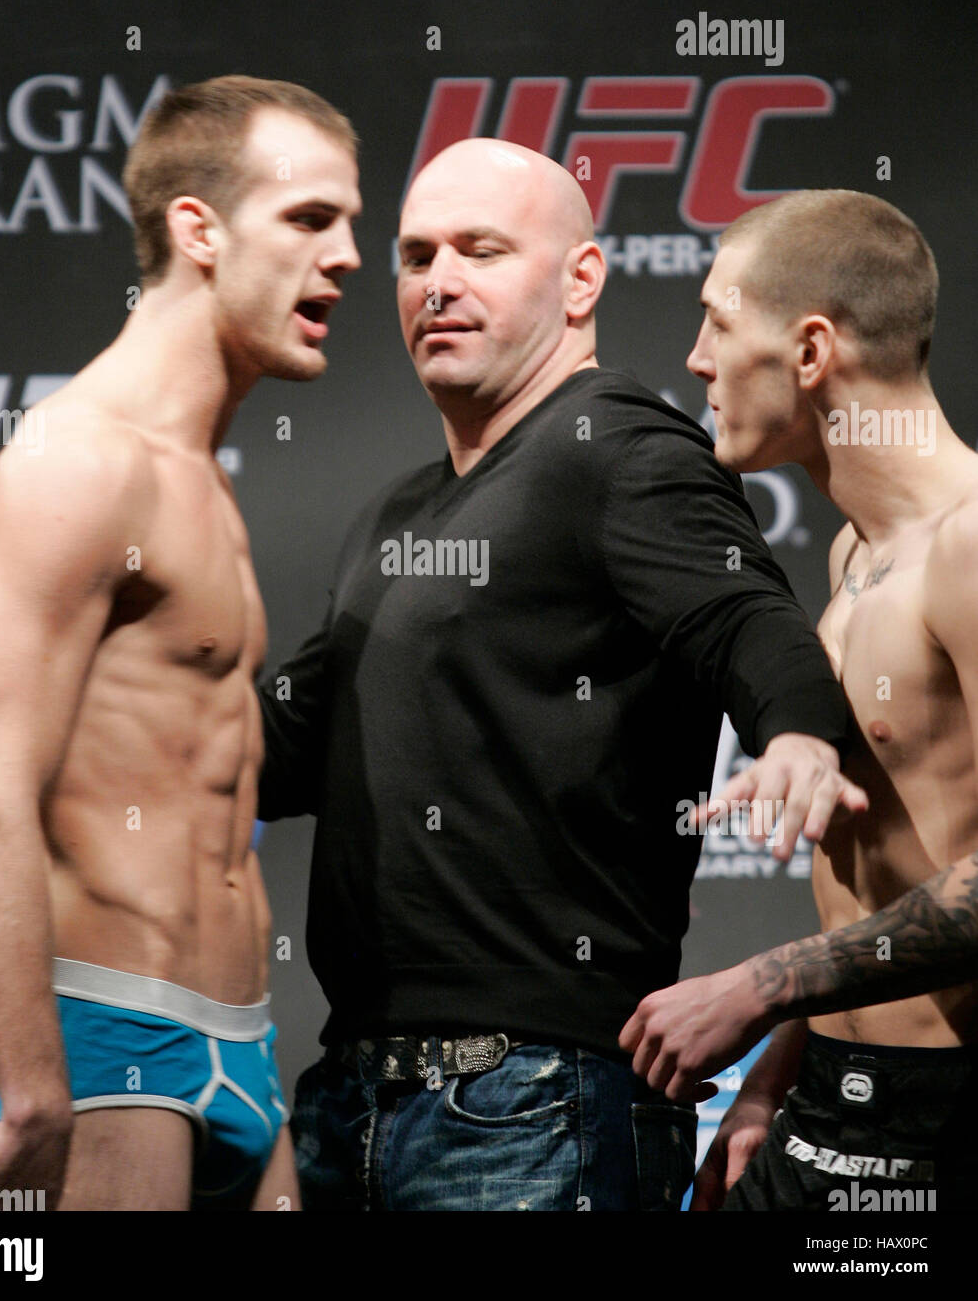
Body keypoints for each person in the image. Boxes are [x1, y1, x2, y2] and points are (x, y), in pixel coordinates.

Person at [256, 139, 868, 1212]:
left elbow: (750, 622)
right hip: (353, 1097)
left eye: (481, 250)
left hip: (538, 1101)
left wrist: (801, 735)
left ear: (582, 279)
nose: (437, 281)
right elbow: (287, 747)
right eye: (415, 256)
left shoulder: (619, 448)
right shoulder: (396, 513)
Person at [0, 76, 362, 1210]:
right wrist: (31, 1094)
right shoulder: (84, 463)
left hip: (241, 1045)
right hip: (109, 1043)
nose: (352, 255)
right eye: (312, 219)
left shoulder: (197, 480)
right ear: (198, 230)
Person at [621, 189, 978, 1211]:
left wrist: (758, 985)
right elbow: (892, 876)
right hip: (828, 1096)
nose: (696, 358)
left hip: (948, 1120)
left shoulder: (969, 547)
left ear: (812, 350)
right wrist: (782, 1061)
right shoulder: (855, 552)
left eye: (719, 323)